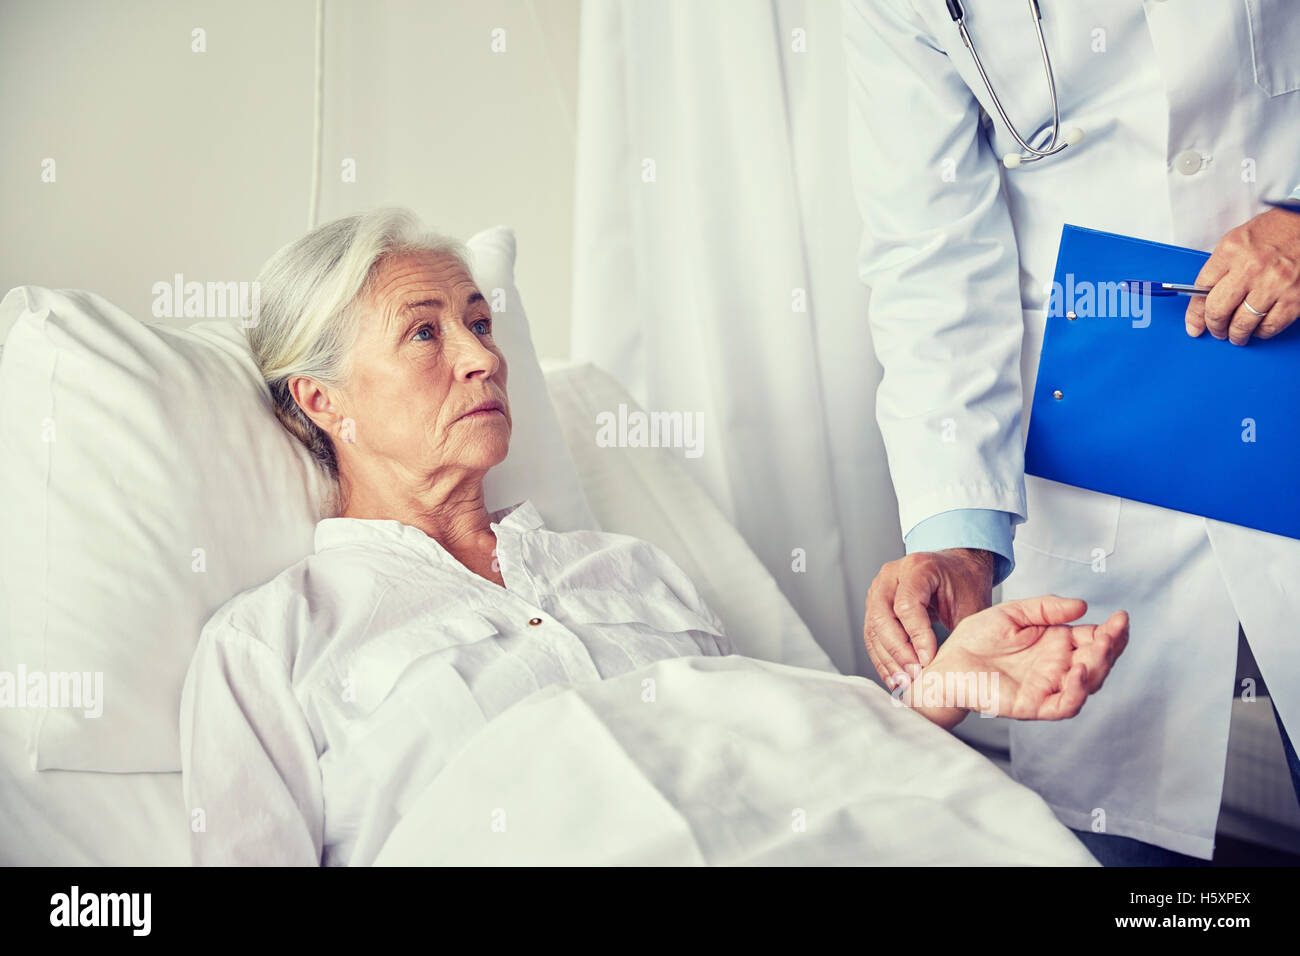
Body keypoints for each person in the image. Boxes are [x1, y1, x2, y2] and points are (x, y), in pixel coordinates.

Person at [179, 208, 1128, 865]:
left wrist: (937, 692)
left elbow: (780, 768)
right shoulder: (271, 647)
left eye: (479, 320)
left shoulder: (627, 568)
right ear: (321, 398)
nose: (483, 356)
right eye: (426, 334)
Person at [842, 0, 1300, 865]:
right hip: (1100, 453)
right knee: (1132, 847)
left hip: (1285, 377)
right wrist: (956, 540)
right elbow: (928, 260)